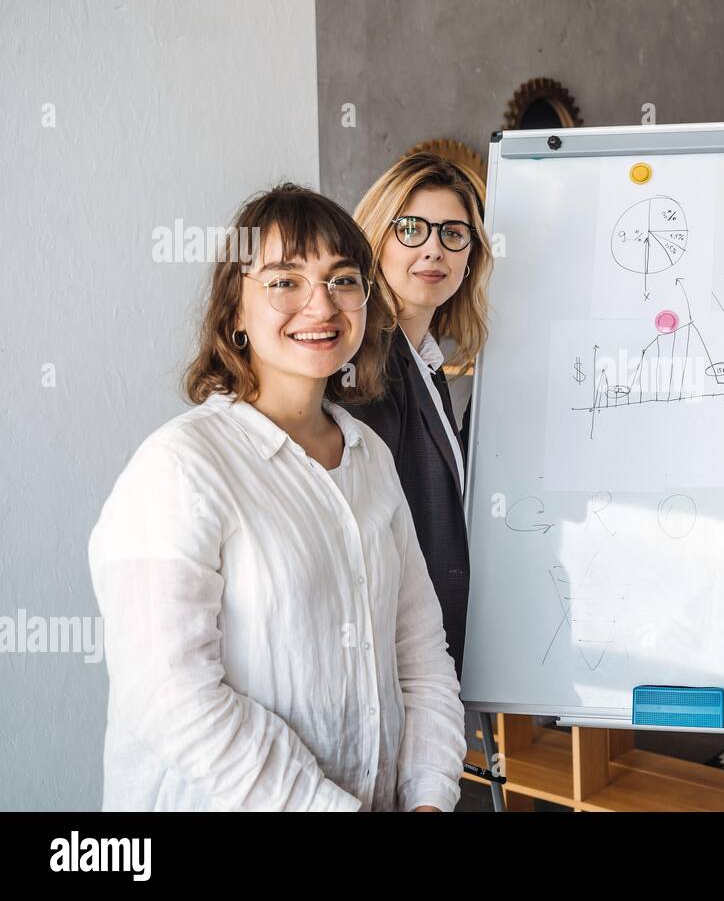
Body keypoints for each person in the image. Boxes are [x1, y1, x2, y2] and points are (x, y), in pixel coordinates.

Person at [88, 183, 466, 811]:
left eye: (343, 280)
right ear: (235, 312)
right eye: (285, 281)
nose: (321, 306)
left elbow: (420, 655)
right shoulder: (180, 466)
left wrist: (430, 795)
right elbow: (169, 698)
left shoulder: (370, 458)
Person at [347, 151, 493, 679]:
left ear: (470, 255)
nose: (433, 248)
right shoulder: (366, 357)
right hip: (386, 656)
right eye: (411, 229)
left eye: (453, 234)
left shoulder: (425, 360)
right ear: (377, 239)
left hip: (426, 652)